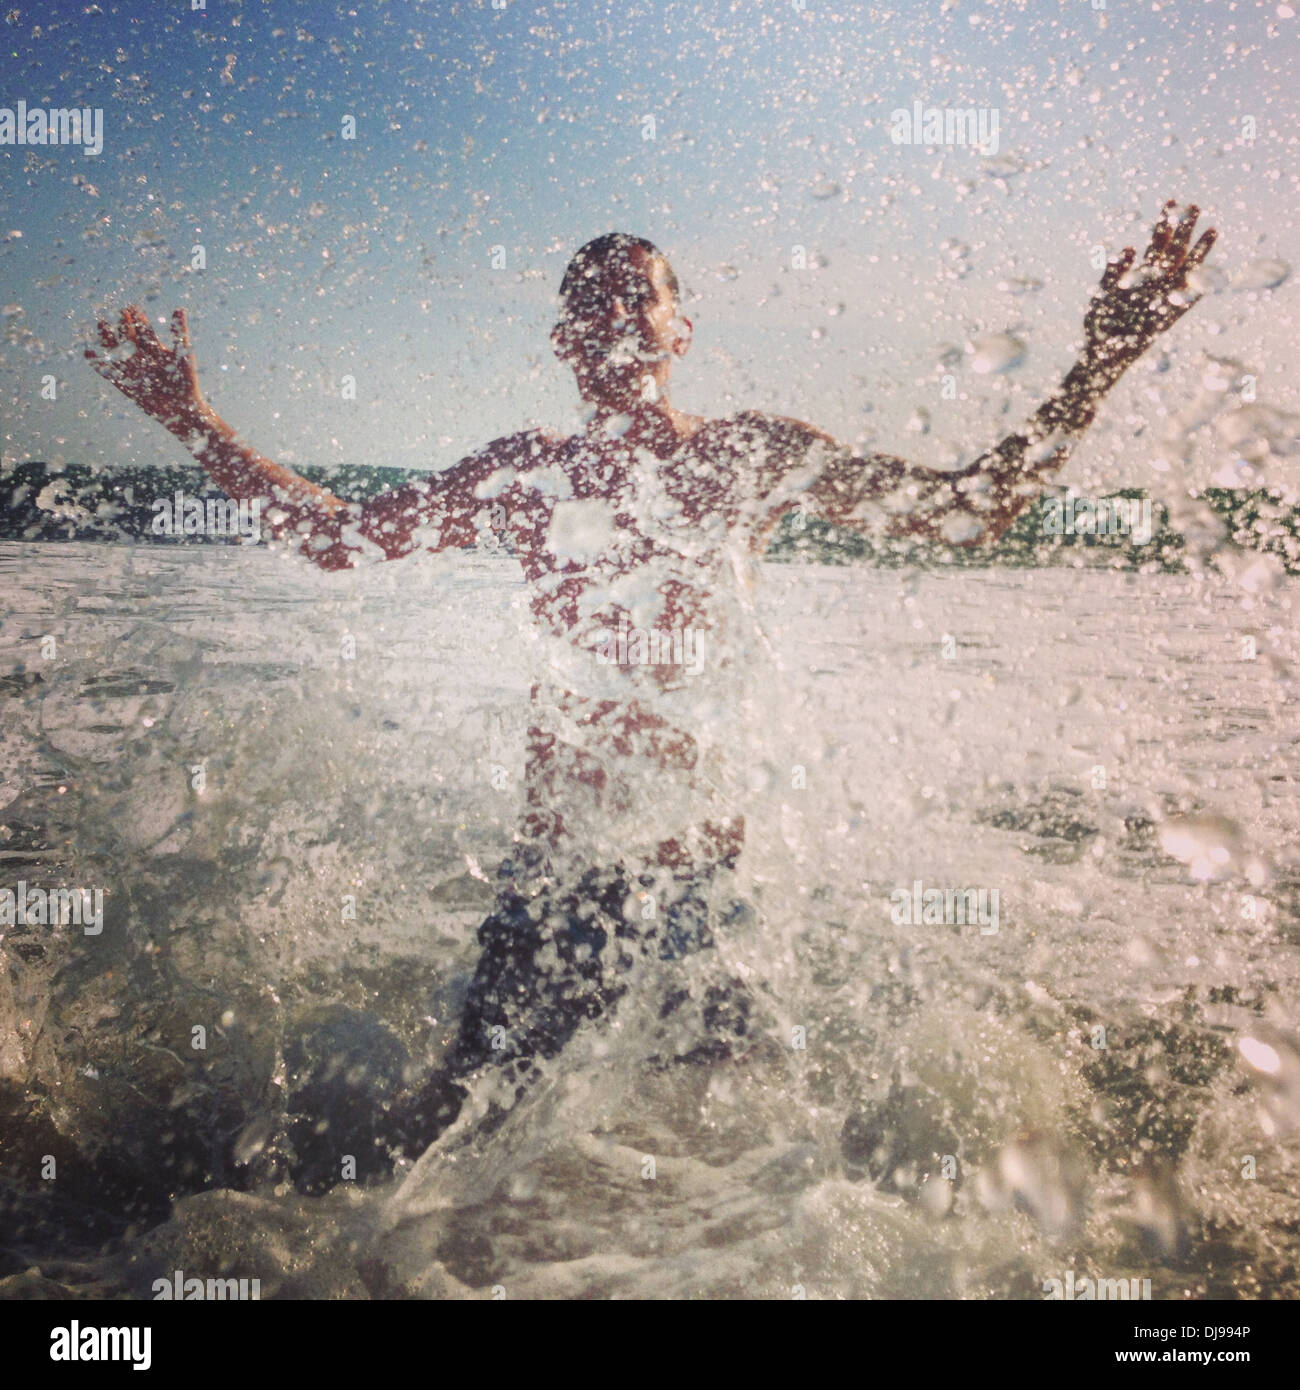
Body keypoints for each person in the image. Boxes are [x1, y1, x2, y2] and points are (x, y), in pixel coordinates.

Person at [86, 205, 1217, 1162]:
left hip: (711, 888)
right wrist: (196, 422)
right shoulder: (527, 474)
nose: (618, 314)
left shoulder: (748, 456)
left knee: (745, 1167)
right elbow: (334, 538)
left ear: (682, 326)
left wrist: (1100, 362)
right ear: (561, 341)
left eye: (641, 297)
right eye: (591, 301)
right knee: (437, 1141)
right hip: (559, 883)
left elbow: (967, 513)